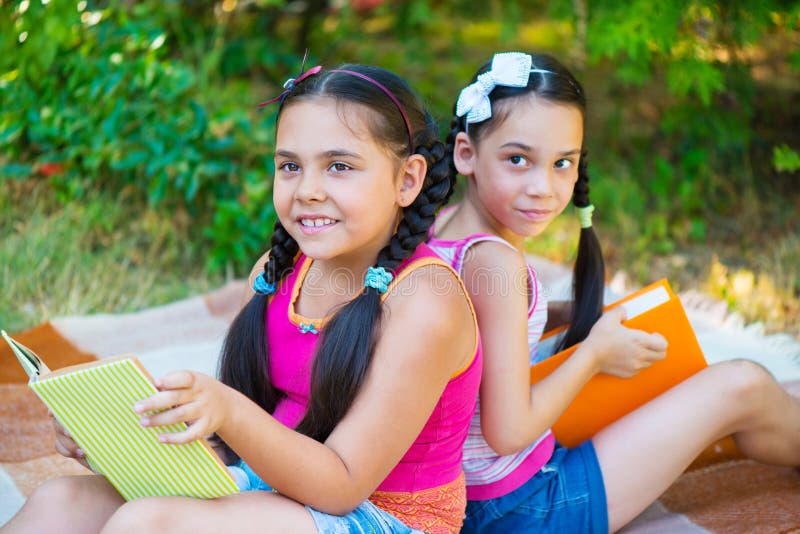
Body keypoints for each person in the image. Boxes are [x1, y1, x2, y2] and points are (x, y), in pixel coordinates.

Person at [2, 63, 482, 534]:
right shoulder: (280, 273)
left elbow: (342, 486)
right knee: (59, 501)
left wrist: (228, 410)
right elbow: (251, 437)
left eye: (339, 167)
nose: (308, 190)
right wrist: (113, 440)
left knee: (149, 524)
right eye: (290, 166)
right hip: (274, 483)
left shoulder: (424, 302)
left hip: (383, 515)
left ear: (407, 180)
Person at [427, 51, 800, 533]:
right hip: (524, 509)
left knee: (735, 385)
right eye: (517, 159)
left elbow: (477, 343)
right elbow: (507, 431)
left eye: (563, 163)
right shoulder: (495, 263)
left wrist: (561, 312)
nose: (543, 186)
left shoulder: (438, 235)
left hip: (471, 495)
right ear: (466, 153)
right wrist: (594, 355)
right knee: (741, 383)